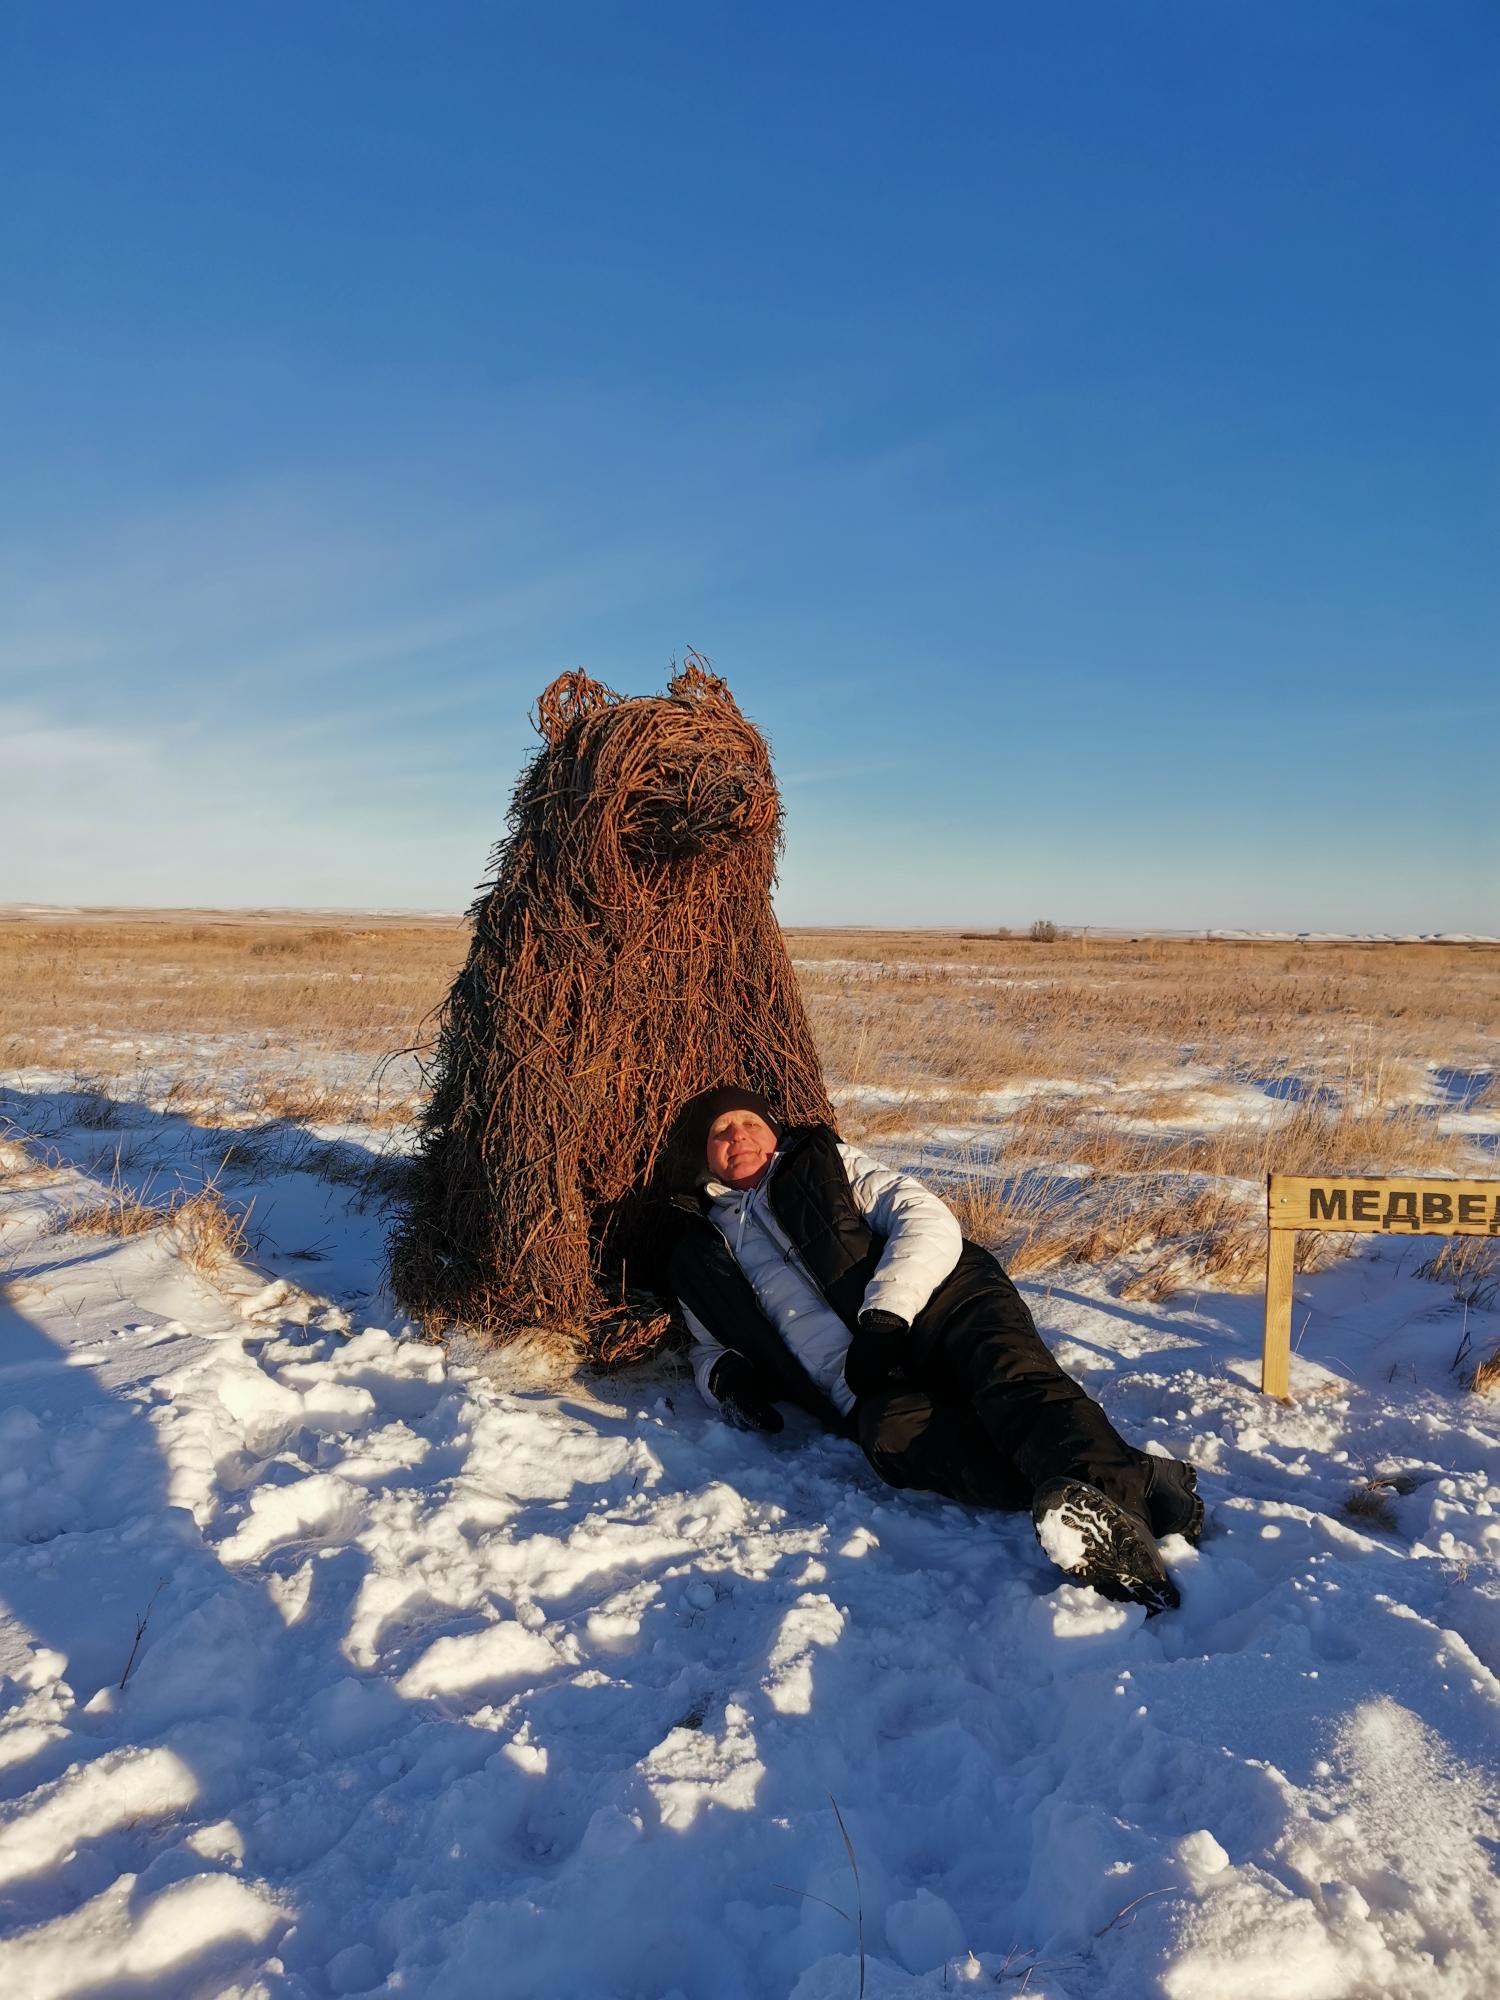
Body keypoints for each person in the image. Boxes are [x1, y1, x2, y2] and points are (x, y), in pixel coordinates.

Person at [664, 1086, 1203, 1613]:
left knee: (1008, 1384)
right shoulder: (703, 1248)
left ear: (773, 1131)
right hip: (866, 1384)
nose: (740, 1136)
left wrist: (885, 1318)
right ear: (705, 1154)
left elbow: (926, 1220)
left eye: (751, 1123)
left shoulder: (825, 1163)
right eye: (722, 1131)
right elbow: (708, 1346)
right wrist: (727, 1384)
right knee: (899, 1439)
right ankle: (1137, 1482)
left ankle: (1122, 1525)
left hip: (945, 1300)